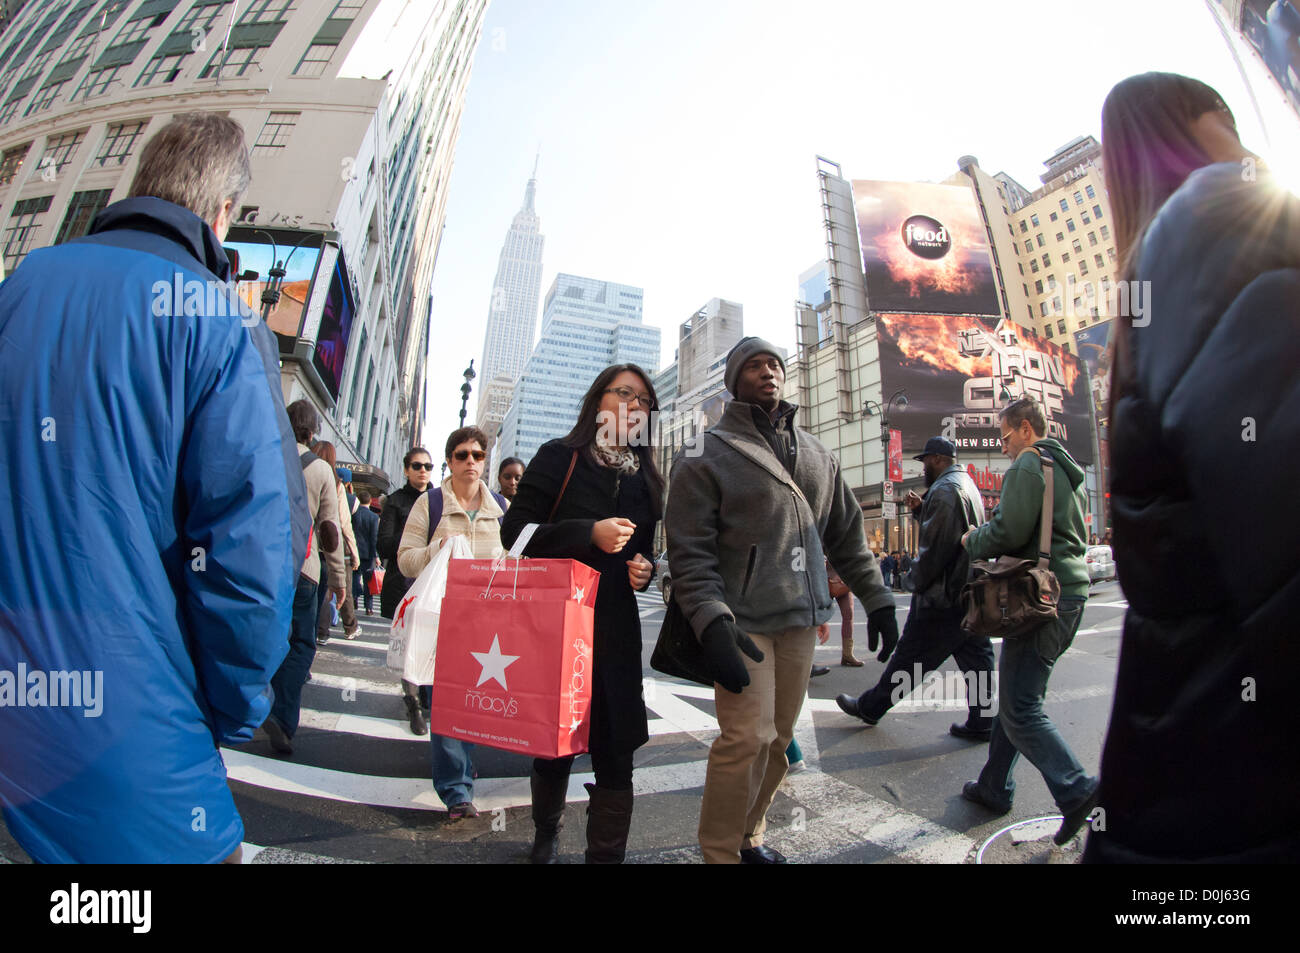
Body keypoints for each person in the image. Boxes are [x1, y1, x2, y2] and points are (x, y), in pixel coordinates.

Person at [0, 112, 309, 862]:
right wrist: (232, 705)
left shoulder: (20, 285)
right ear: (224, 211)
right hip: (122, 746)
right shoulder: (224, 325)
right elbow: (253, 556)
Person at [1083, 73, 1300, 863]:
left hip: (1193, 754)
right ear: (1186, 128)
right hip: (1254, 763)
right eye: (1224, 114)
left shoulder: (1147, 274)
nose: (1240, 138)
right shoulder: (1225, 214)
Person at [665, 337, 899, 864]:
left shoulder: (818, 452)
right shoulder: (706, 451)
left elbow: (846, 536)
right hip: (739, 622)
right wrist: (710, 619)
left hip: (799, 618)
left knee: (779, 741)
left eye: (774, 363)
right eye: (753, 365)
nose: (768, 371)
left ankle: (750, 836)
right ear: (733, 381)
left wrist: (878, 599)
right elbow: (690, 550)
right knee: (745, 738)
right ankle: (721, 853)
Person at [501, 364, 662, 864]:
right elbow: (516, 536)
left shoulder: (649, 477)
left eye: (644, 402)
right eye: (625, 394)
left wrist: (646, 568)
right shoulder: (559, 457)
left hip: (615, 629)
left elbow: (645, 551)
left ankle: (605, 855)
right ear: (598, 402)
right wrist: (585, 533)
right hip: (558, 622)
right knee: (556, 741)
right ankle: (545, 833)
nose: (635, 407)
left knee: (617, 748)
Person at [956, 396, 1096, 846]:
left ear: (1024, 429)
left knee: (1020, 708)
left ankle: (1077, 790)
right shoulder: (1066, 468)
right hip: (1069, 592)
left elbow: (1010, 531)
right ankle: (994, 785)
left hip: (1040, 597)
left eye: (1004, 436)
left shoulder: (1028, 464)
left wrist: (972, 538)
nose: (1003, 447)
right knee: (1018, 697)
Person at [836, 436, 994, 737]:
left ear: (936, 459)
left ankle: (872, 707)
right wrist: (922, 510)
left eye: (925, 462)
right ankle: (984, 720)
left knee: (911, 660)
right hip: (968, 591)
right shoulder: (966, 485)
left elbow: (936, 549)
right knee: (978, 657)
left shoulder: (946, 490)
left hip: (943, 597)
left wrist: (912, 581)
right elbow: (953, 531)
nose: (923, 469)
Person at [398, 426, 506, 819]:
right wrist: (436, 549)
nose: (471, 462)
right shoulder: (431, 504)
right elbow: (404, 558)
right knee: (446, 701)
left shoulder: (501, 509)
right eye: (462, 455)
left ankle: (462, 763)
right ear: (449, 460)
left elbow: (514, 563)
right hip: (443, 618)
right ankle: (456, 790)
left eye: (478, 455)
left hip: (488, 622)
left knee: (474, 701)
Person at [264, 402, 348, 756]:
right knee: (301, 643)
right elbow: (329, 530)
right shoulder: (321, 470)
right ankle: (283, 720)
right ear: (313, 432)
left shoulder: (262, 453)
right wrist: (339, 578)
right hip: (303, 568)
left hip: (257, 563)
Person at [379, 447, 435, 735]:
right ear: (406, 469)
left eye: (428, 465)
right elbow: (384, 545)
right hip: (403, 584)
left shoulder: (439, 499)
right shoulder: (396, 501)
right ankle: (413, 702)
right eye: (417, 465)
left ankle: (426, 696)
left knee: (432, 643)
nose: (423, 470)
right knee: (411, 644)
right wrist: (414, 531)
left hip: (433, 584)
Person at [826, 558, 862, 666]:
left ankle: (847, 654)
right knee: (815, 617)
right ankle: (808, 660)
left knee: (848, 614)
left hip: (843, 580)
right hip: (824, 579)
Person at [351, 488, 380, 615]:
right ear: (369, 501)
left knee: (354, 577)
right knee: (368, 580)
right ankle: (368, 607)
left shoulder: (354, 514)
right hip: (368, 552)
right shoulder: (374, 517)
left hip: (355, 551)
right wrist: (376, 555)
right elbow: (374, 537)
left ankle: (354, 597)